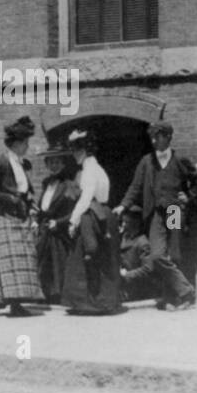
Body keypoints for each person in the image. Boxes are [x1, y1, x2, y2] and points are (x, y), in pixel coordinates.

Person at [114, 120, 197, 310]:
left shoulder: (180, 160)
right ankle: (187, 291)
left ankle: (172, 297)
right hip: (155, 214)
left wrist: (188, 196)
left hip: (173, 210)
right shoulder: (147, 162)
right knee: (157, 256)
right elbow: (135, 187)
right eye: (152, 137)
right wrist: (123, 206)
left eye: (158, 136)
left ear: (168, 137)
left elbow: (196, 182)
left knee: (174, 254)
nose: (154, 140)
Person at [0, 116, 45, 317]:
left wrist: (30, 203)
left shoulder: (23, 164)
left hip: (21, 218)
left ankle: (16, 305)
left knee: (21, 262)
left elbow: (24, 191)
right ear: (16, 143)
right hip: (5, 217)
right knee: (1, 261)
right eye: (25, 142)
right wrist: (9, 198)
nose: (27, 146)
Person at [61, 129, 123, 315]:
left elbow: (87, 197)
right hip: (103, 215)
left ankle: (90, 303)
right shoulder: (98, 169)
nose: (74, 154)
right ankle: (105, 302)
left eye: (77, 150)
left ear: (85, 151)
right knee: (103, 259)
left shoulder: (89, 170)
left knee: (86, 257)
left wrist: (73, 220)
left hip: (93, 216)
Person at [36, 141, 81, 305]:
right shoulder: (46, 183)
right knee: (44, 262)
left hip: (60, 232)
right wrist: (37, 219)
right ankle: (45, 294)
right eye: (50, 162)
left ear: (63, 163)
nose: (54, 165)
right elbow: (44, 207)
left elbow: (75, 212)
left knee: (58, 263)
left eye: (57, 162)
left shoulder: (69, 184)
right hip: (45, 229)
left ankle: (60, 295)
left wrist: (59, 223)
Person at [118, 207, 158, 303]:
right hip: (124, 284)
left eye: (126, 222)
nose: (123, 225)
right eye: (123, 222)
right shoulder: (124, 237)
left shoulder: (143, 243)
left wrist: (127, 275)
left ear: (134, 223)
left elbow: (148, 268)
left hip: (136, 287)